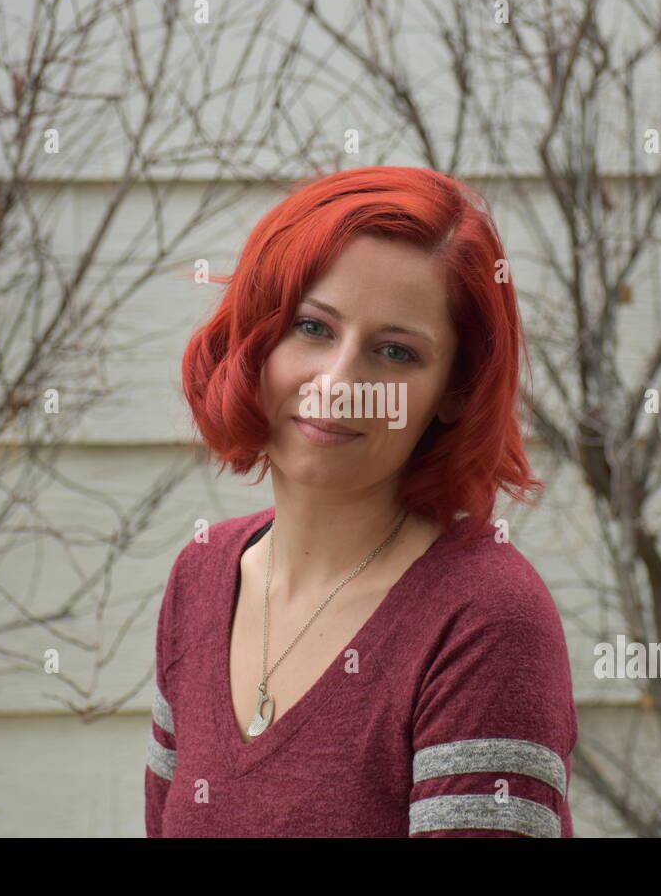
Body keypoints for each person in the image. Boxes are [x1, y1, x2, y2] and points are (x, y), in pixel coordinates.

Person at [145, 166, 577, 837]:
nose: (341, 383)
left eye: (396, 352)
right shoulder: (200, 578)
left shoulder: (485, 621)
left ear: (454, 393)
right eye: (314, 329)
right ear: (257, 337)